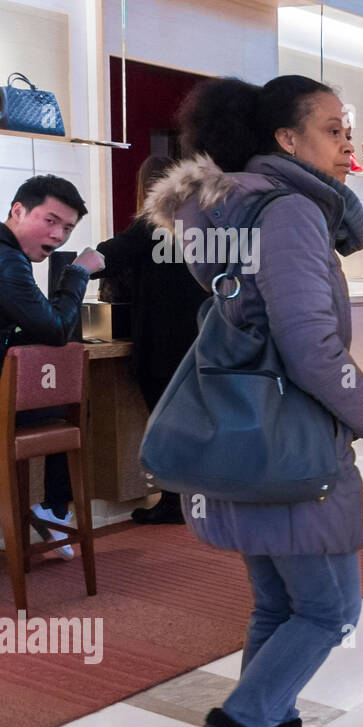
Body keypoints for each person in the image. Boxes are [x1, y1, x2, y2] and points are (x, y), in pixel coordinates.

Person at [149, 75, 363, 727]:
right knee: (329, 608)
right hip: (293, 442)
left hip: (244, 435)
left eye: (348, 130)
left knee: (278, 605)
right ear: (286, 139)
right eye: (332, 129)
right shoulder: (288, 213)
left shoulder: (229, 210)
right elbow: (311, 347)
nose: (348, 145)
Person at [95, 156, 210, 525]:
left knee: (165, 425)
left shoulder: (151, 222)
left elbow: (110, 256)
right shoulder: (201, 222)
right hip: (202, 337)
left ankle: (174, 501)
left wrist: (77, 267)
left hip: (162, 339)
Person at [0, 175, 102, 558]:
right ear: (18, 210)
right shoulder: (7, 260)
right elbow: (57, 328)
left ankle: (45, 509)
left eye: (68, 228)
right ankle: (53, 509)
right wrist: (78, 272)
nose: (59, 235)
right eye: (51, 220)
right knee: (72, 406)